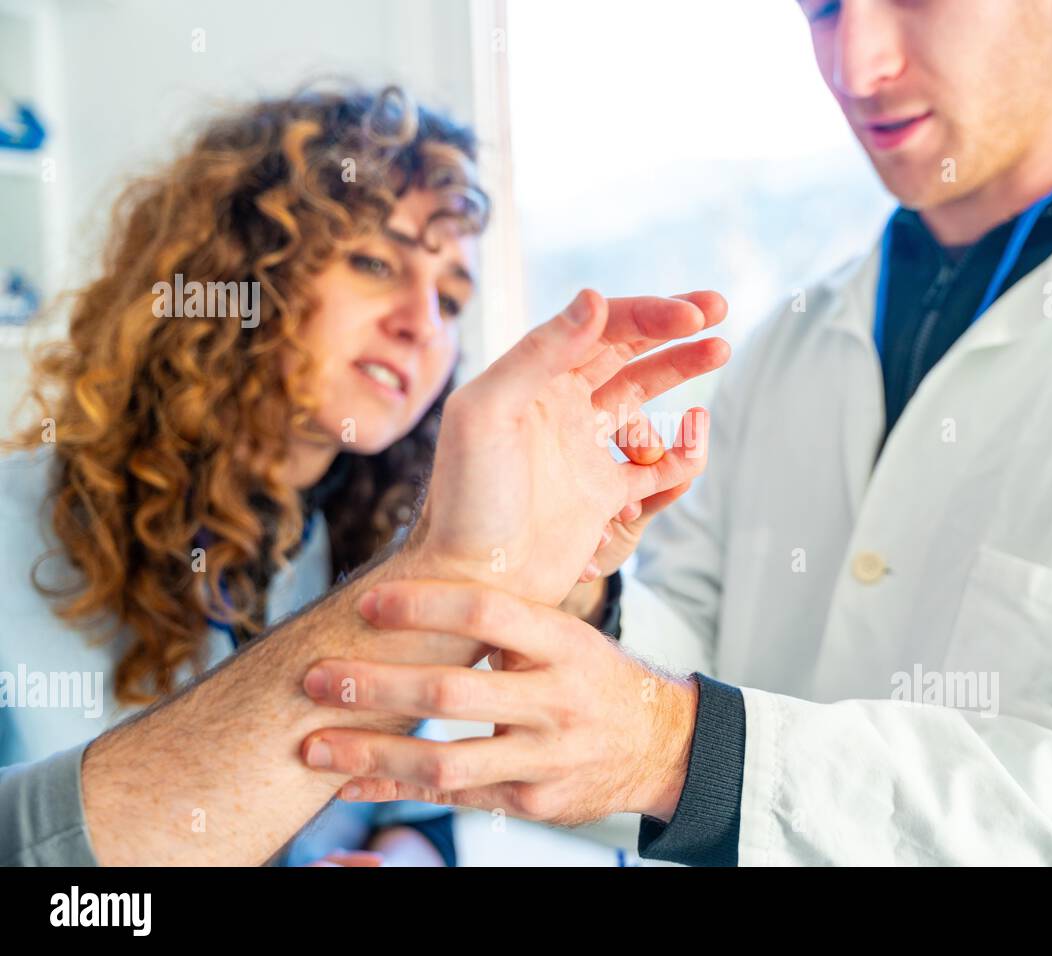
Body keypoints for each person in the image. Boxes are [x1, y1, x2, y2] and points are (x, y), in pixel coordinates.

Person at [296, 0, 1052, 865]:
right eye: (820, 5)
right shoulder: (791, 342)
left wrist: (683, 749)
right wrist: (577, 593)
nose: (857, 65)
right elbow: (683, 666)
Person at [0, 86, 729, 866]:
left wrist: (406, 847)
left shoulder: (373, 535)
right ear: (244, 271)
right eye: (378, 262)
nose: (421, 321)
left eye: (451, 298)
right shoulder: (18, 521)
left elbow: (412, 786)